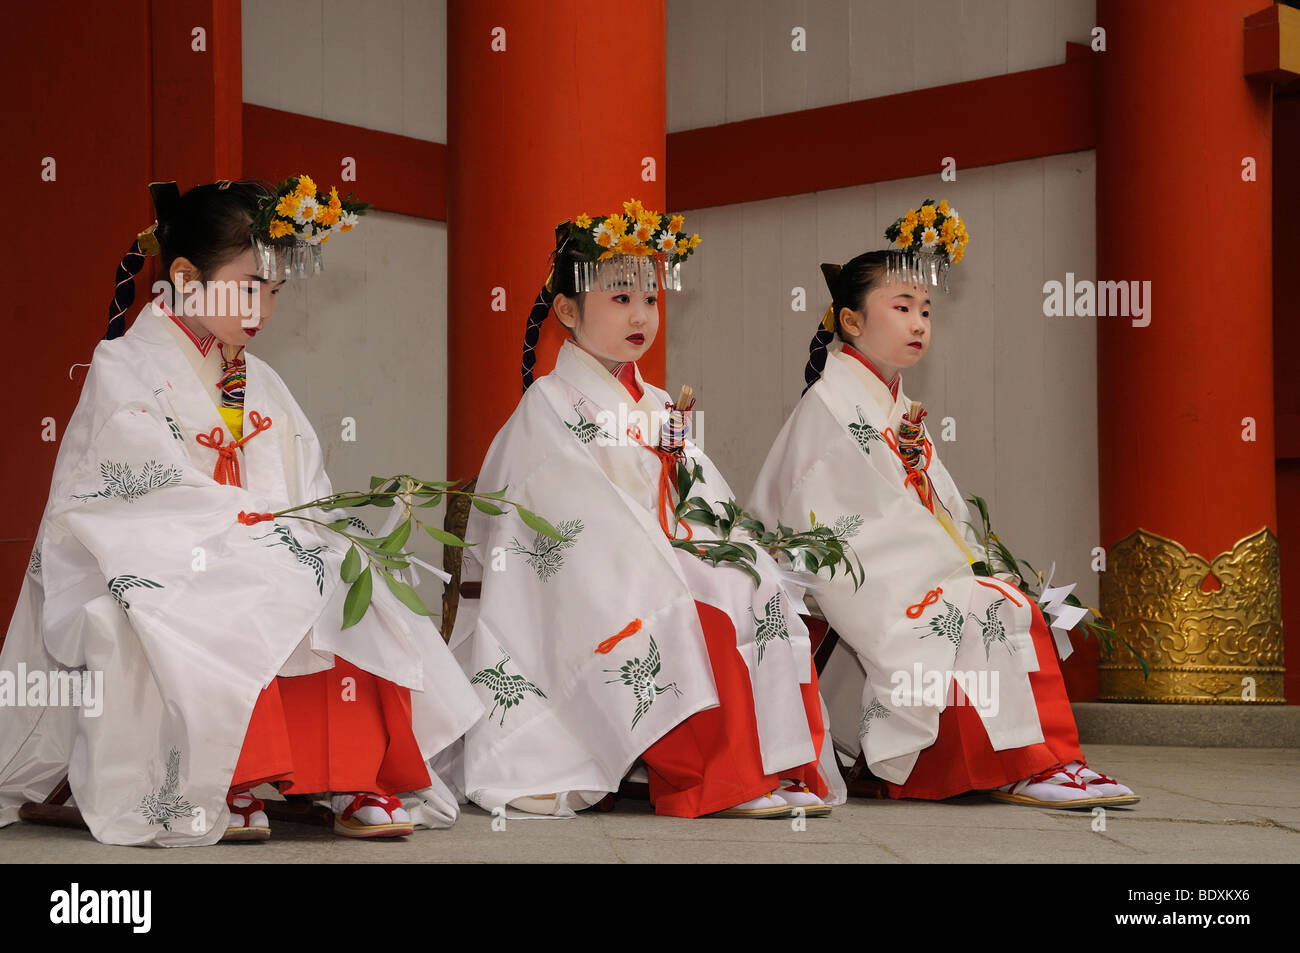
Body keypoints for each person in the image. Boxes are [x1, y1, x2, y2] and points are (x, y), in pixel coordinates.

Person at [0, 177, 483, 845]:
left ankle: (354, 773)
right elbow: (128, 492)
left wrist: (300, 522)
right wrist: (242, 521)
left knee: (340, 562)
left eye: (275, 291)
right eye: (250, 285)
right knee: (257, 575)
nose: (264, 308)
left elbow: (304, 482)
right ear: (184, 278)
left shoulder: (261, 380)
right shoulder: (122, 368)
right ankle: (234, 776)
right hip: (146, 554)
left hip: (242, 539)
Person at [445, 201, 843, 819]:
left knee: (754, 580)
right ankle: (712, 778)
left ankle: (775, 764)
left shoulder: (657, 402)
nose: (641, 315)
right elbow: (561, 514)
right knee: (697, 603)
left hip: (663, 549)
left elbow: (699, 491)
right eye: (620, 299)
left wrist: (724, 539)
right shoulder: (547, 406)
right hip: (594, 573)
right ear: (569, 312)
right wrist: (661, 553)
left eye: (650, 299)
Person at [748, 200, 1138, 808]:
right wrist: (952, 568)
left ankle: (1047, 761)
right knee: (986, 601)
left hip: (903, 568)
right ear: (850, 322)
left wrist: (975, 559)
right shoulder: (830, 406)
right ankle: (1031, 765)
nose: (919, 323)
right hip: (849, 579)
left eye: (925, 310)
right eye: (901, 308)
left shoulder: (899, 409)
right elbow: (844, 525)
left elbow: (939, 506)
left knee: (1000, 595)